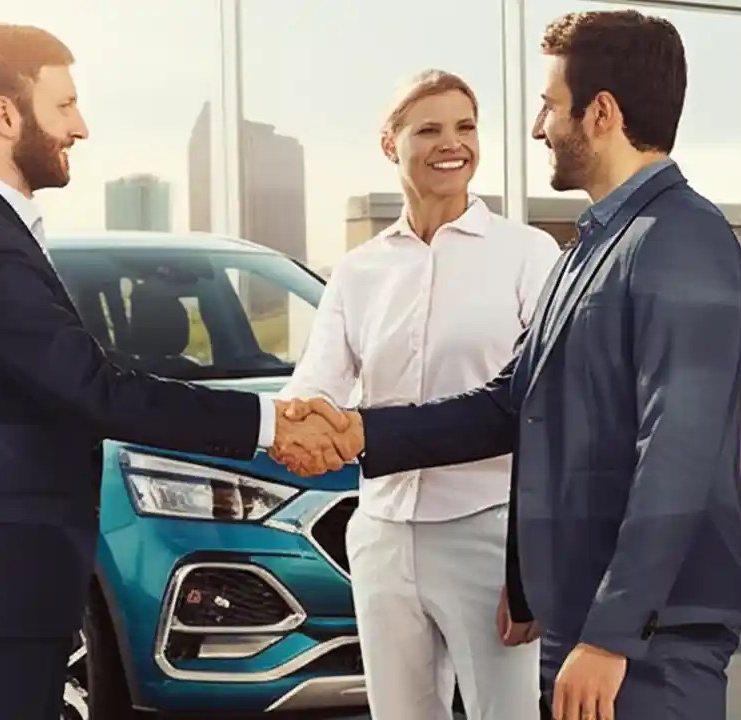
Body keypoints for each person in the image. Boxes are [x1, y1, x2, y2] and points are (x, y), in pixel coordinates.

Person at [277, 10, 741, 720]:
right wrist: (357, 434)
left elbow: (675, 458)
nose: (536, 128)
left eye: (549, 106)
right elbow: (512, 406)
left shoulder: (683, 243)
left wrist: (611, 638)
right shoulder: (591, 248)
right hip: (578, 626)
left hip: (647, 648)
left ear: (601, 114)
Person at [0, 24, 350, 719]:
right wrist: (269, 420)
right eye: (64, 105)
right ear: (6, 115)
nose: (81, 126)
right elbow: (93, 390)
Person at [278, 70, 560, 720]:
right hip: (379, 532)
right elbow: (318, 380)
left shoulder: (528, 255)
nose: (451, 143)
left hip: (486, 531)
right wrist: (296, 421)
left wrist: (530, 567)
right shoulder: (358, 270)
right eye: (428, 128)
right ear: (390, 144)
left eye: (464, 126)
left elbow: (540, 408)